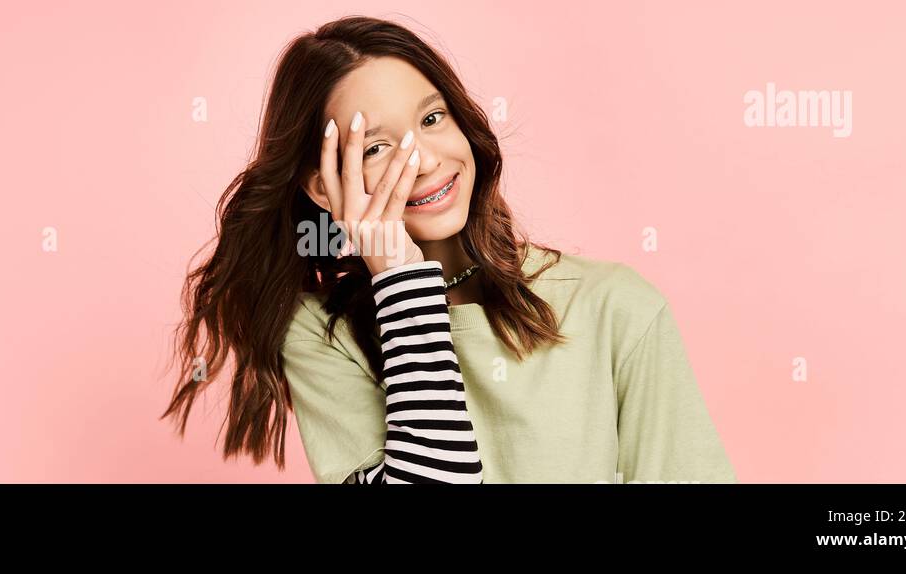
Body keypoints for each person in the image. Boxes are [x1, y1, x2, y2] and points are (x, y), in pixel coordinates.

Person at [162, 15, 736, 484]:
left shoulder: (614, 308)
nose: (426, 160)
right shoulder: (320, 335)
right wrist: (400, 281)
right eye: (376, 147)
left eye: (433, 118)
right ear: (322, 186)